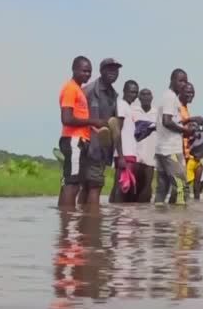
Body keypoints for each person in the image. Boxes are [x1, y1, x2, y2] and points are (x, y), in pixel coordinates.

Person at [57, 56, 108, 208]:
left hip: (79, 140)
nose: (87, 74)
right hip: (73, 140)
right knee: (72, 184)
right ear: (74, 69)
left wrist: (95, 128)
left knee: (73, 182)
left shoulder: (78, 90)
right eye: (84, 71)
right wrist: (93, 121)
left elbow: (78, 118)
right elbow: (66, 119)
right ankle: (69, 224)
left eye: (89, 72)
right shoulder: (70, 89)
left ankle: (66, 222)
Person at [80, 58, 124, 206]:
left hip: (103, 149)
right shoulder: (88, 91)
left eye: (116, 70)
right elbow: (76, 117)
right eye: (109, 69)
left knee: (89, 185)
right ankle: (93, 223)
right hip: (87, 147)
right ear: (101, 71)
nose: (113, 73)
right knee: (94, 185)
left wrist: (121, 155)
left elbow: (115, 127)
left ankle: (83, 222)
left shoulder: (113, 95)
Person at [154, 69, 195, 206]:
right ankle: (182, 223)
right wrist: (185, 131)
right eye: (180, 80)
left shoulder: (169, 97)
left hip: (162, 149)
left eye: (185, 81)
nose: (184, 84)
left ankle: (160, 223)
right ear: (172, 80)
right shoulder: (170, 97)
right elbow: (167, 121)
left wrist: (186, 123)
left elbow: (170, 121)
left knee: (162, 188)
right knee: (182, 188)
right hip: (170, 150)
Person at [109, 80, 141, 203]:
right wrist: (121, 156)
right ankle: (119, 218)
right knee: (121, 187)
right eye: (132, 92)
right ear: (124, 91)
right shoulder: (121, 105)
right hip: (125, 154)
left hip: (129, 153)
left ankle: (114, 215)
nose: (134, 95)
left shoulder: (128, 107)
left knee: (121, 186)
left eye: (136, 92)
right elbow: (117, 130)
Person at [178, 82, 203, 201]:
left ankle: (191, 214)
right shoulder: (177, 107)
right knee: (183, 187)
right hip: (182, 153)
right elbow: (174, 124)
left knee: (196, 186)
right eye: (188, 92)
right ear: (180, 92)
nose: (191, 95)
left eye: (192, 93)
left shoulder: (185, 108)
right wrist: (192, 119)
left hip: (191, 152)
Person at [133, 88, 157, 203]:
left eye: (148, 94)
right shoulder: (134, 111)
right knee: (135, 187)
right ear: (139, 97)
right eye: (143, 94)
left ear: (152, 97)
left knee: (147, 187)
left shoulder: (157, 113)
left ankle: (145, 216)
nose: (146, 97)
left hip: (151, 156)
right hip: (136, 156)